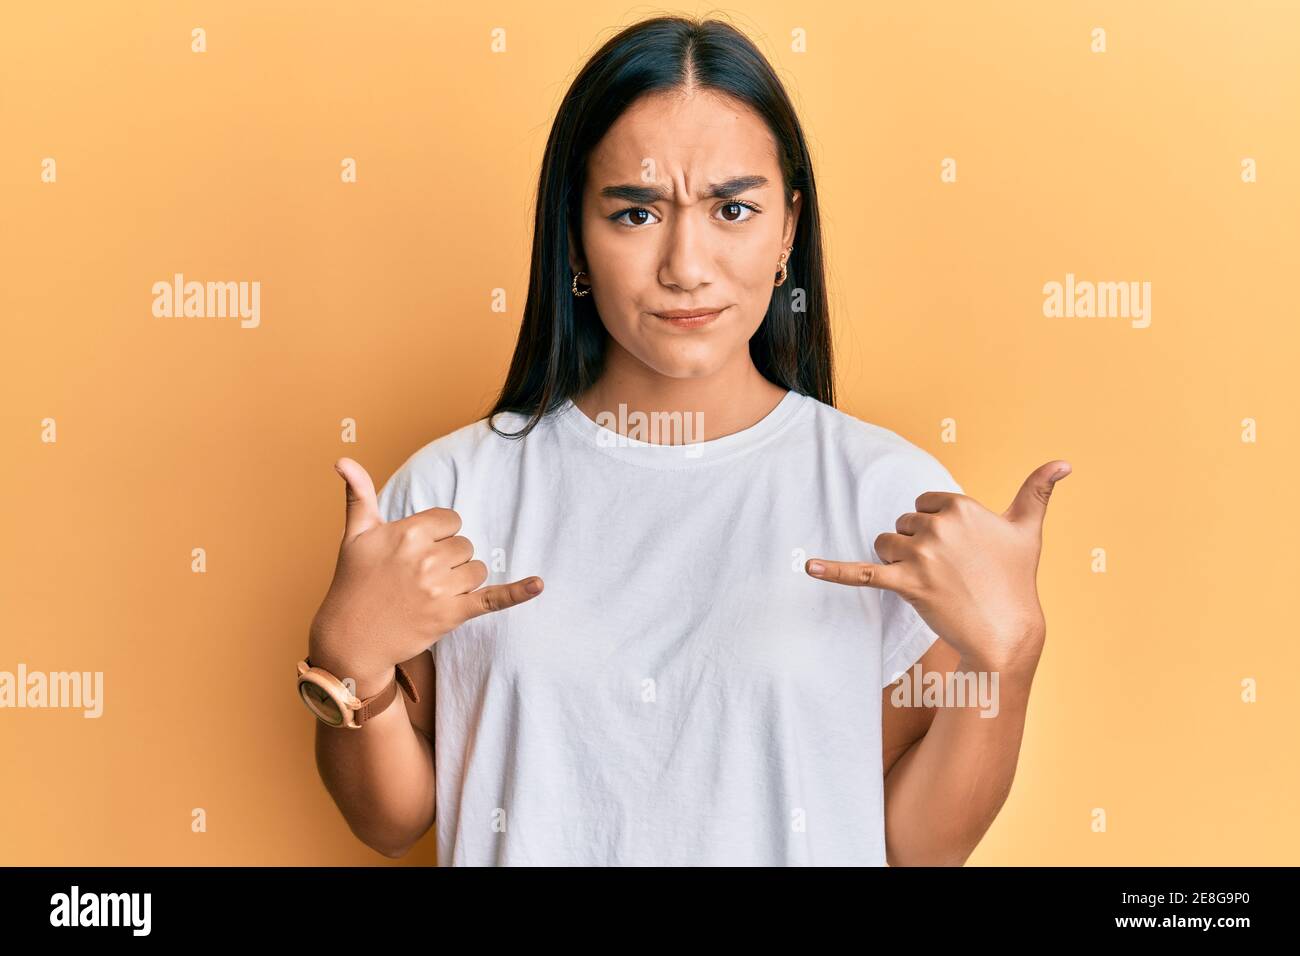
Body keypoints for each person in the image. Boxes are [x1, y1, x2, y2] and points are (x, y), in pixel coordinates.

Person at [305, 15, 1069, 866]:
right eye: (636, 213)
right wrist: (347, 663)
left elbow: (918, 844)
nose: (686, 265)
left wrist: (1009, 656)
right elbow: (392, 819)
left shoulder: (882, 493)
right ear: (573, 236)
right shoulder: (455, 489)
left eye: (733, 209)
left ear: (786, 231)